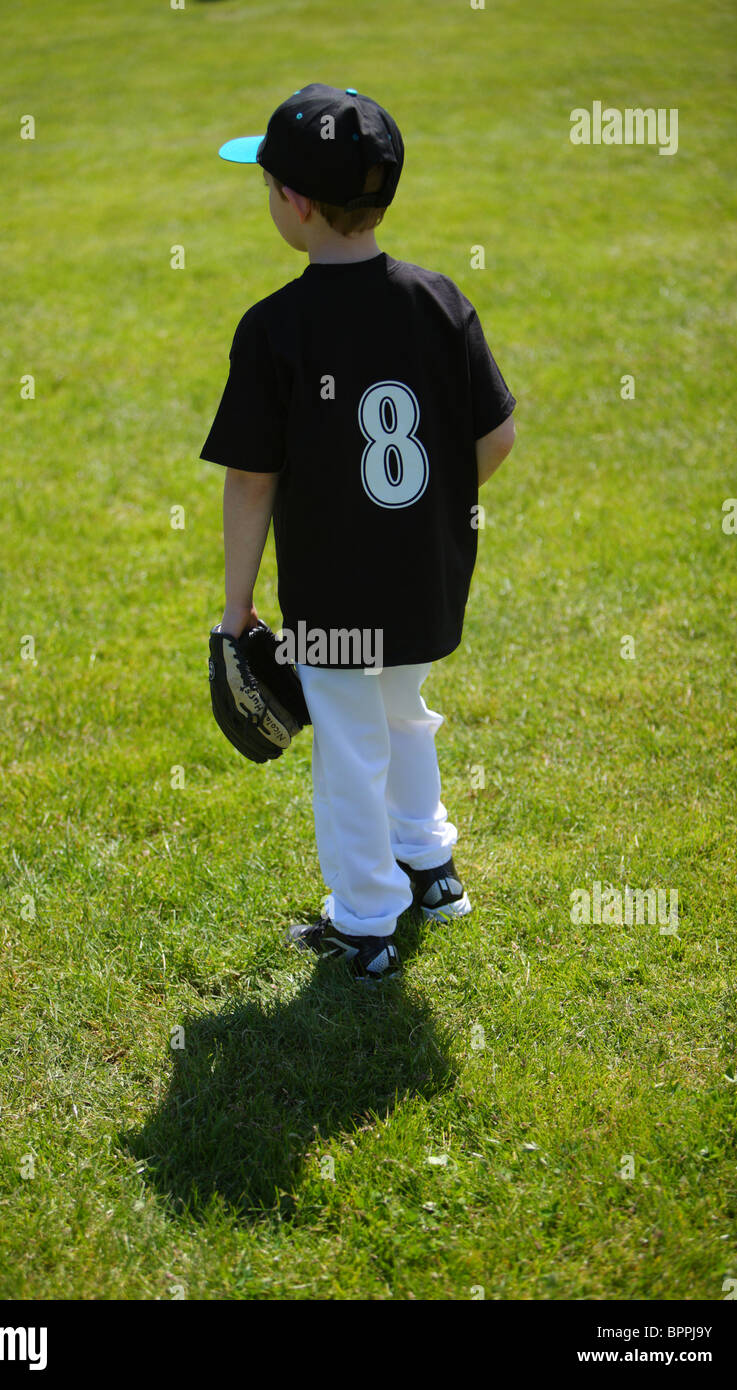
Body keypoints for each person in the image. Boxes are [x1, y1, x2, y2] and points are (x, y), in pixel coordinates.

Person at [200, 84, 516, 982]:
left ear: (296, 205)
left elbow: (252, 479)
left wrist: (236, 609)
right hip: (424, 584)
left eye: (267, 187)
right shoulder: (436, 300)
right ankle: (433, 869)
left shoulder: (275, 329)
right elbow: (495, 437)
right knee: (403, 716)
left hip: (333, 594)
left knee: (347, 748)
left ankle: (365, 920)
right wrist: (427, 512)